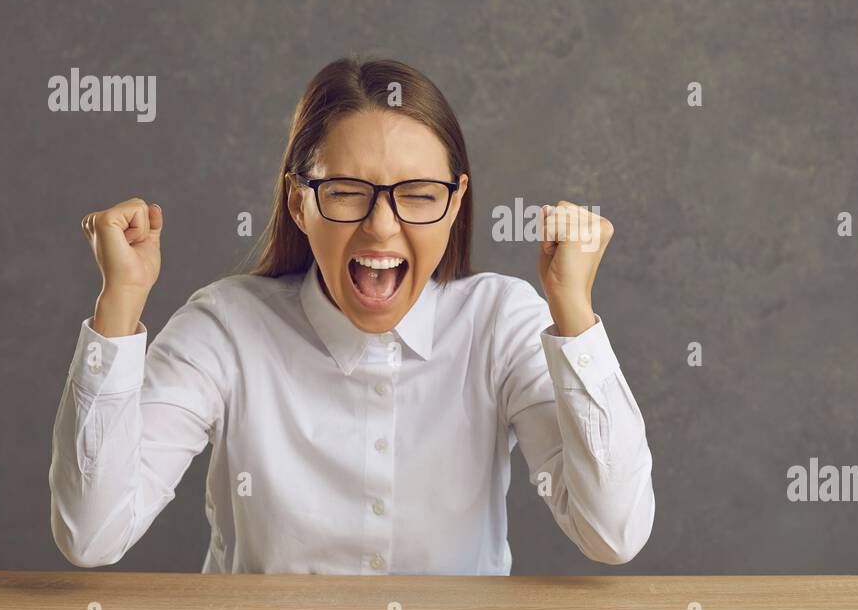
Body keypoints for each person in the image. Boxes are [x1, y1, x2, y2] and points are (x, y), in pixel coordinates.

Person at [49, 56, 655, 574]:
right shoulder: (227, 328)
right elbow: (91, 536)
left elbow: (613, 534)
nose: (381, 226)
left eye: (418, 194)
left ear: (456, 203)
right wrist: (119, 303)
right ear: (298, 200)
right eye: (345, 191)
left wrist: (573, 312)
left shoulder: (501, 322)